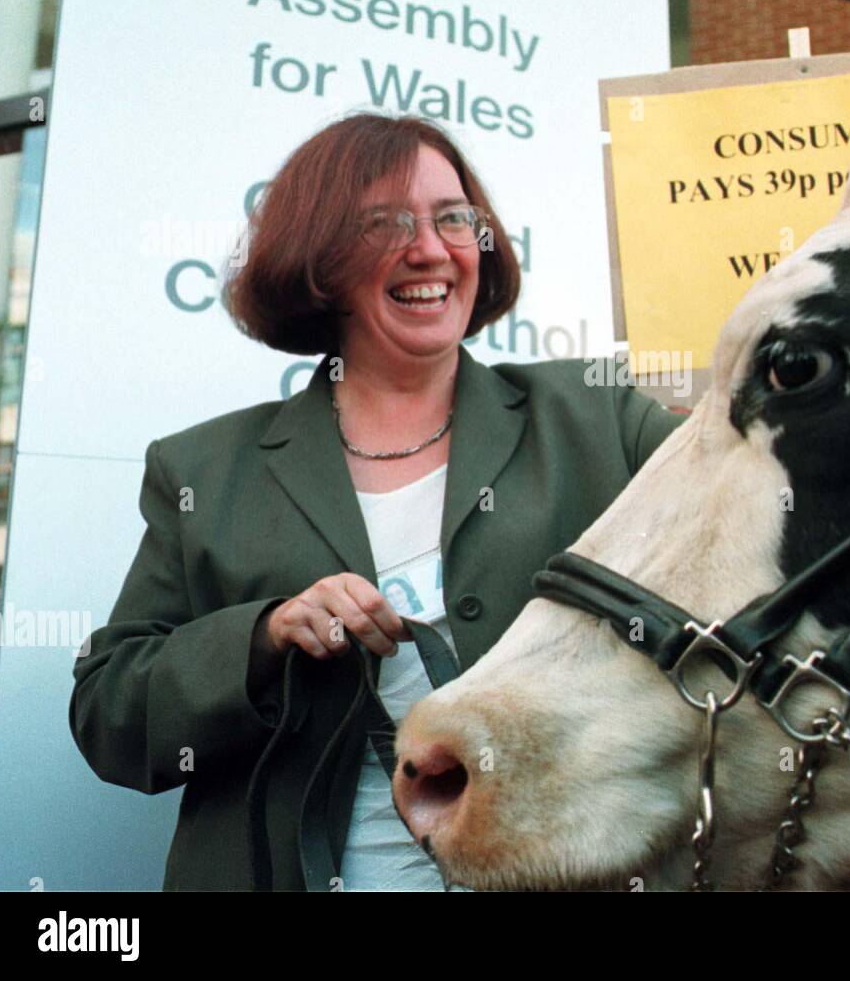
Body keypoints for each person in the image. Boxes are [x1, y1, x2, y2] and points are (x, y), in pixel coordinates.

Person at [69, 113, 684, 891]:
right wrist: (262, 637)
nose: (430, 248)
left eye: (453, 217)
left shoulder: (601, 419)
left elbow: (759, 514)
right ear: (319, 261)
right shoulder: (202, 468)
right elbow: (109, 718)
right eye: (384, 225)